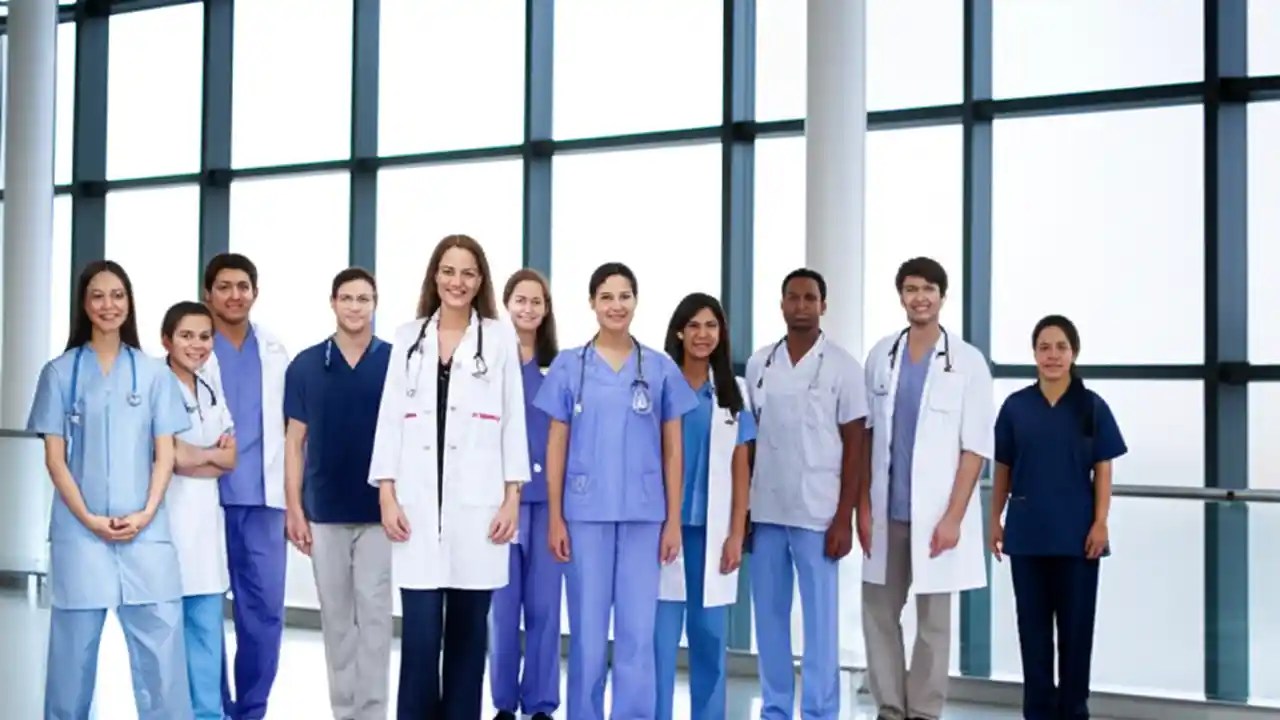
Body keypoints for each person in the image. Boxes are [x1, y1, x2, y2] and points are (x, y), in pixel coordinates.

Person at [368, 234, 528, 720]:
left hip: (477, 510)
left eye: (468, 273)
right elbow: (390, 419)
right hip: (416, 507)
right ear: (434, 276)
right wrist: (387, 496)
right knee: (418, 639)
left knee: (467, 637)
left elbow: (513, 419)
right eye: (448, 271)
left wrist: (512, 497)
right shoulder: (407, 337)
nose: (457, 282)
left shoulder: (498, 339)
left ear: (480, 281)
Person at [27, 260, 194, 720]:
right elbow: (55, 460)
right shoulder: (59, 372)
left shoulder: (154, 374)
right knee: (72, 657)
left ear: (130, 303)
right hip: (81, 535)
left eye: (117, 295)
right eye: (98, 295)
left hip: (146, 533)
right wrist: (89, 519)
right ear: (84, 303)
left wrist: (145, 513)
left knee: (162, 654)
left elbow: (166, 456)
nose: (108, 305)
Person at [535, 261, 698, 720]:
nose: (615, 305)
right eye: (606, 297)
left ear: (636, 301)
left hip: (645, 516)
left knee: (636, 633)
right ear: (591, 303)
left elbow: (673, 451)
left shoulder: (660, 368)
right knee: (587, 633)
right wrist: (554, 517)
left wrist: (672, 522)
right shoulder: (570, 366)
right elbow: (556, 446)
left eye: (624, 296)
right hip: (583, 515)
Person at [859, 257, 994, 720]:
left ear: (942, 296)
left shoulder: (968, 362)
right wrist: (862, 507)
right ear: (900, 296)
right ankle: (890, 708)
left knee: (934, 624)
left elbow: (975, 447)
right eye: (911, 288)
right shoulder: (881, 355)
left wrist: (954, 516)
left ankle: (925, 712)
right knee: (879, 616)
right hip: (887, 514)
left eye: (928, 289)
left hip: (937, 516)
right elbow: (868, 438)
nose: (920, 297)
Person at [744, 267, 866, 720]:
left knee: (820, 625)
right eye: (792, 298)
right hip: (768, 512)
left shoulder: (842, 367)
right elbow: (749, 443)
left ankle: (819, 711)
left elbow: (857, 446)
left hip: (819, 515)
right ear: (781, 305)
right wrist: (745, 514)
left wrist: (844, 518)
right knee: (770, 622)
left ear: (823, 306)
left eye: (809, 298)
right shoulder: (760, 364)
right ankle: (775, 708)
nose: (801, 305)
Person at [991, 315, 1125, 720]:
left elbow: (1103, 467)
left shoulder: (1091, 406)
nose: (1052, 355)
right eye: (1045, 347)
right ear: (1034, 353)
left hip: (1078, 537)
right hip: (1028, 536)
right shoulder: (1016, 407)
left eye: (1061, 347)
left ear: (1074, 353)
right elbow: (1002, 469)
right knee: (1032, 636)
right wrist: (994, 519)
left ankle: (1073, 711)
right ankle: (1037, 713)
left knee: (1076, 633)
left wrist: (1101, 522)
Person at [284, 268, 394, 720]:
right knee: (336, 619)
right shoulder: (307, 365)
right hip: (324, 512)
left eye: (363, 298)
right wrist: (294, 507)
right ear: (332, 302)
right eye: (347, 298)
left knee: (374, 618)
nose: (355, 306)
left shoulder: (395, 360)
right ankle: (344, 712)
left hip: (378, 514)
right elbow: (294, 442)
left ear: (375, 303)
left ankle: (372, 712)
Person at [654, 292, 755, 720]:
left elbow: (741, 469)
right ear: (679, 331)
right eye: (693, 325)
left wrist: (736, 533)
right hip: (664, 529)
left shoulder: (734, 392)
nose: (702, 334)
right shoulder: (659, 383)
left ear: (721, 334)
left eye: (710, 326)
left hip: (712, 534)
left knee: (709, 636)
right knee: (659, 639)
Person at [201, 252, 292, 720]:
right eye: (224, 286)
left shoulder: (276, 351)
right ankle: (213, 706)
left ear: (254, 292)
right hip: (205, 500)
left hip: (264, 501)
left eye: (243, 286)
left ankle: (252, 708)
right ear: (208, 294)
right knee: (203, 613)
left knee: (265, 614)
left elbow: (295, 433)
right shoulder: (192, 349)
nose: (235, 295)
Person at [490, 268, 563, 720]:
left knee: (545, 608)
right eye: (520, 300)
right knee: (503, 609)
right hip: (503, 502)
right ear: (506, 303)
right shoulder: (490, 360)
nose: (528, 308)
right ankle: (503, 702)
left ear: (546, 309)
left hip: (549, 502)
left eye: (537, 301)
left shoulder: (560, 365)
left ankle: (540, 703)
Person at [162, 301, 238, 720]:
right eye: (187, 335)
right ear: (166, 340)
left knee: (208, 636)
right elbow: (171, 456)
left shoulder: (210, 382)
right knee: (168, 641)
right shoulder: (156, 384)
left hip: (206, 533)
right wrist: (206, 456)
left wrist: (199, 456)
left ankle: (209, 715)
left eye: (205, 336)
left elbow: (232, 459)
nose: (197, 344)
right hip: (166, 527)